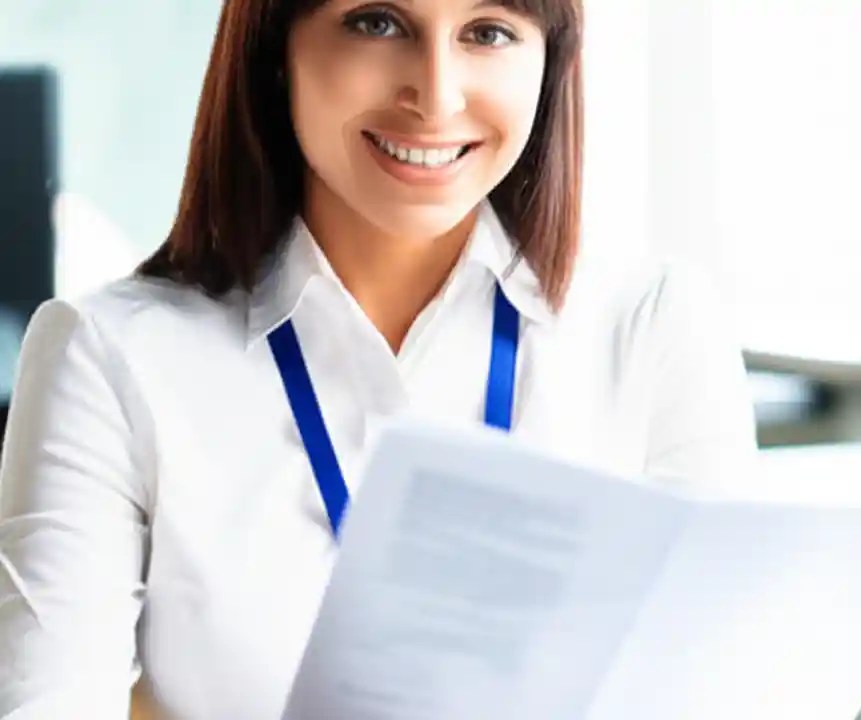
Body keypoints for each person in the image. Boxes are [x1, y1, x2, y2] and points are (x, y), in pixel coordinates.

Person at [0, 0, 757, 717]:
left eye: (488, 31)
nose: (435, 95)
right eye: (376, 21)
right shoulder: (107, 356)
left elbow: (728, 688)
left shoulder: (654, 327)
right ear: (275, 44)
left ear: (550, 58)